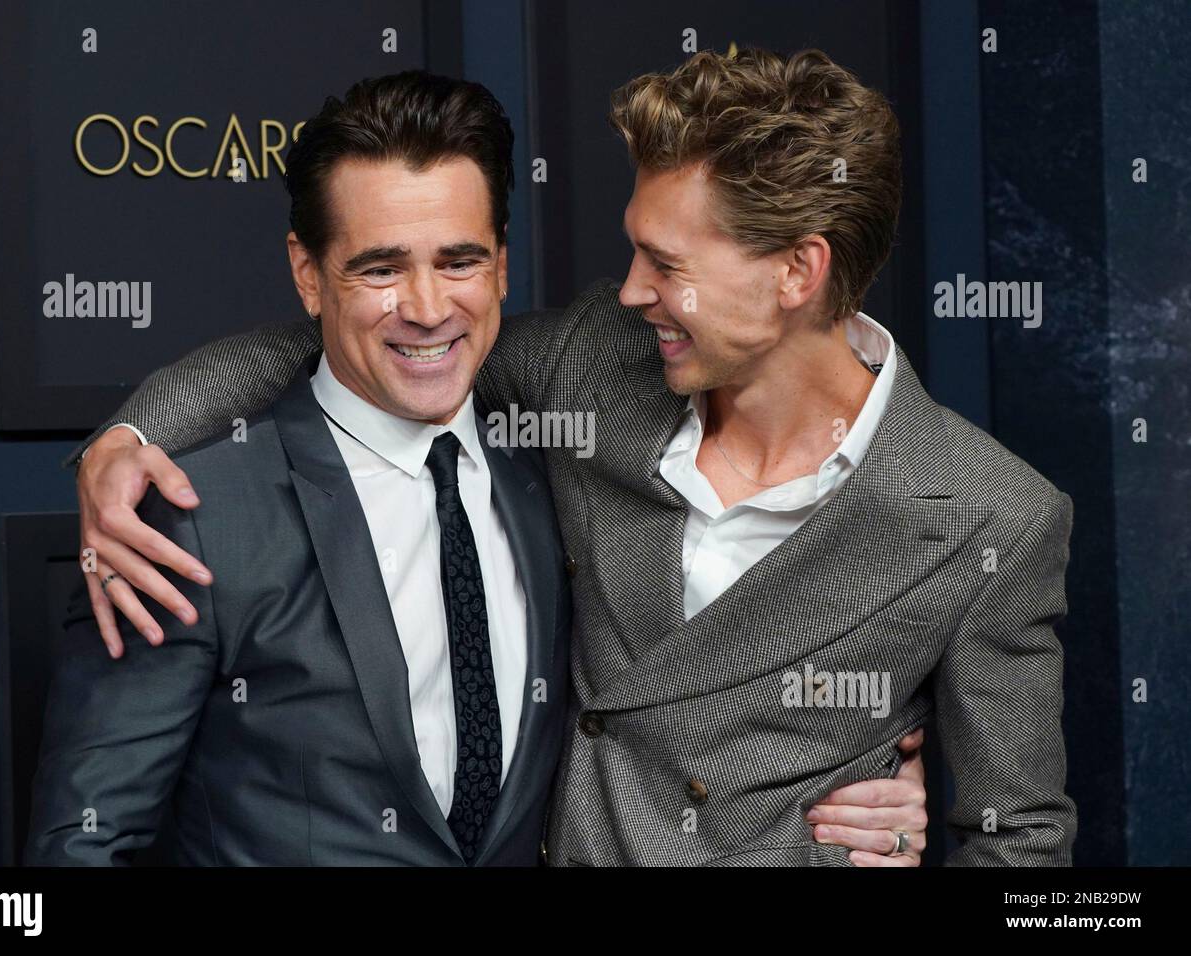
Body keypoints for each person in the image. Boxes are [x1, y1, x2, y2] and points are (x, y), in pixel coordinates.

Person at [65, 55, 1005, 866]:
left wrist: (874, 772)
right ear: (310, 274)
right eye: (380, 268)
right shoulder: (182, 516)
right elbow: (83, 840)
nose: (429, 307)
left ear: (504, 267)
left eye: (461, 261)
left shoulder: (553, 457)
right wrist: (126, 436)